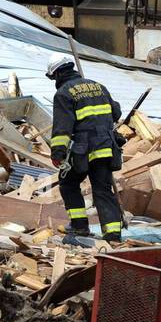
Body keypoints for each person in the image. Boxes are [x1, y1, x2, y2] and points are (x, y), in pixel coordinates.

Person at [46, 54, 125, 243]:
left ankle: (80, 226)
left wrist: (58, 153)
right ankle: (113, 234)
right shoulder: (98, 86)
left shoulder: (64, 93)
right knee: (103, 189)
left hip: (83, 151)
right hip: (107, 148)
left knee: (68, 184)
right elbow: (116, 112)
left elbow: (62, 129)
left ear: (56, 74)